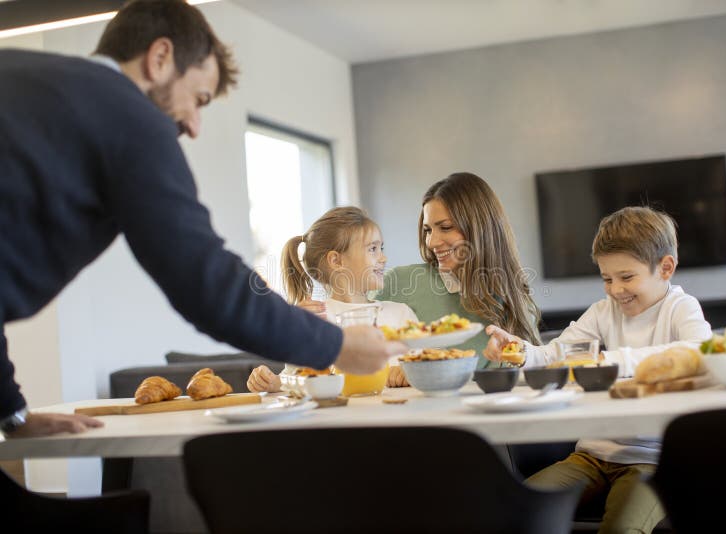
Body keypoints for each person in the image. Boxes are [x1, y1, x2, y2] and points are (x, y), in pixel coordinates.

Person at [0, 0, 404, 439]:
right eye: (198, 99)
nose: (194, 126)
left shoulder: (26, 78)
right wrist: (336, 345)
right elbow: (206, 281)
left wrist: (11, 411)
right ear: (159, 59)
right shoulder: (132, 119)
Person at [485, 206, 713, 533]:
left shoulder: (680, 308)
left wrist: (613, 360)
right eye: (607, 278)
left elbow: (699, 349)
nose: (615, 289)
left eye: (627, 277)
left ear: (665, 268)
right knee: (515, 510)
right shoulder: (603, 312)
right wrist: (518, 351)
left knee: (621, 529)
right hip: (591, 456)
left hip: (652, 462)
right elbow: (554, 354)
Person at [373, 172, 542, 374]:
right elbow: (357, 350)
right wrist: (396, 370)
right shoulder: (400, 282)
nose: (432, 242)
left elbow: (532, 370)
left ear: (479, 229)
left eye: (445, 227)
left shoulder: (512, 297)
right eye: (428, 230)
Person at [247, 206, 418, 392]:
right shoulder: (314, 318)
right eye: (373, 249)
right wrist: (270, 382)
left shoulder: (401, 314)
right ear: (336, 261)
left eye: (381, 248)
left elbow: (426, 367)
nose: (383, 257)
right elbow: (298, 380)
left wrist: (408, 373)